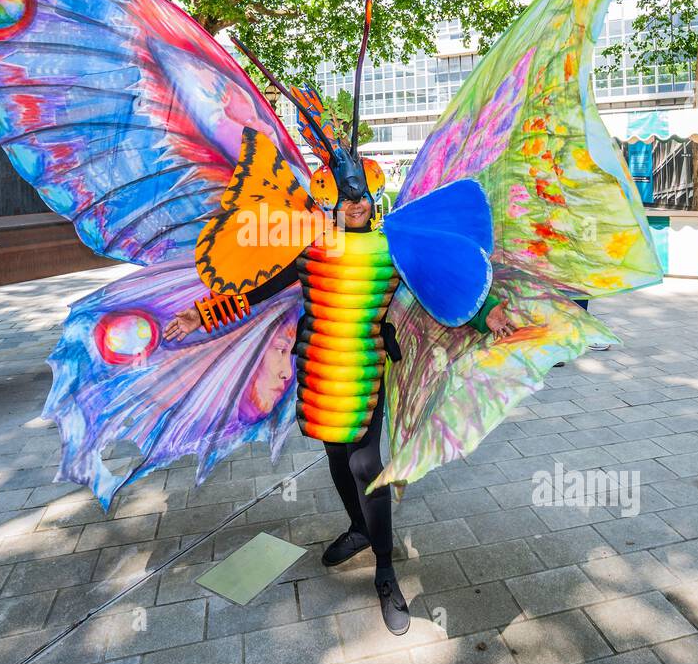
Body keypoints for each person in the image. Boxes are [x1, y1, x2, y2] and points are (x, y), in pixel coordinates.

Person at [166, 192, 517, 636]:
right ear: (333, 203)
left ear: (374, 203)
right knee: (336, 457)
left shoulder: (393, 249)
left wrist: (488, 314)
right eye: (346, 197)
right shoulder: (311, 248)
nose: (355, 205)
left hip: (365, 370)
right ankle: (359, 528)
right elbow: (256, 292)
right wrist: (202, 313)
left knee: (365, 463)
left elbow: (438, 281)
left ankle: (385, 572)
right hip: (319, 369)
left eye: (363, 197)